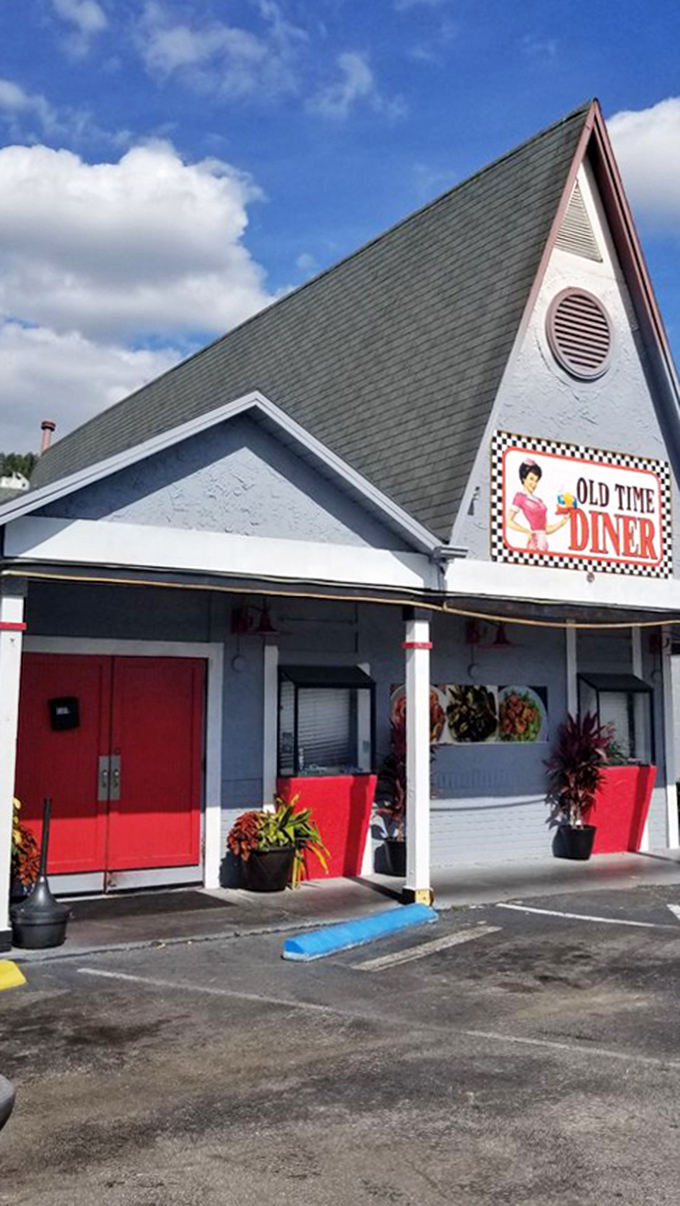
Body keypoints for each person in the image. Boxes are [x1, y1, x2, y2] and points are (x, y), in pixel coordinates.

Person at [506, 461, 569, 551]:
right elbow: (508, 521)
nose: (534, 484)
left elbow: (545, 529)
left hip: (544, 543)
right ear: (524, 478)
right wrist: (526, 531)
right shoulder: (520, 497)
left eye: (536, 480)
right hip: (534, 543)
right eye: (531, 479)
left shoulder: (539, 501)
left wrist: (563, 521)